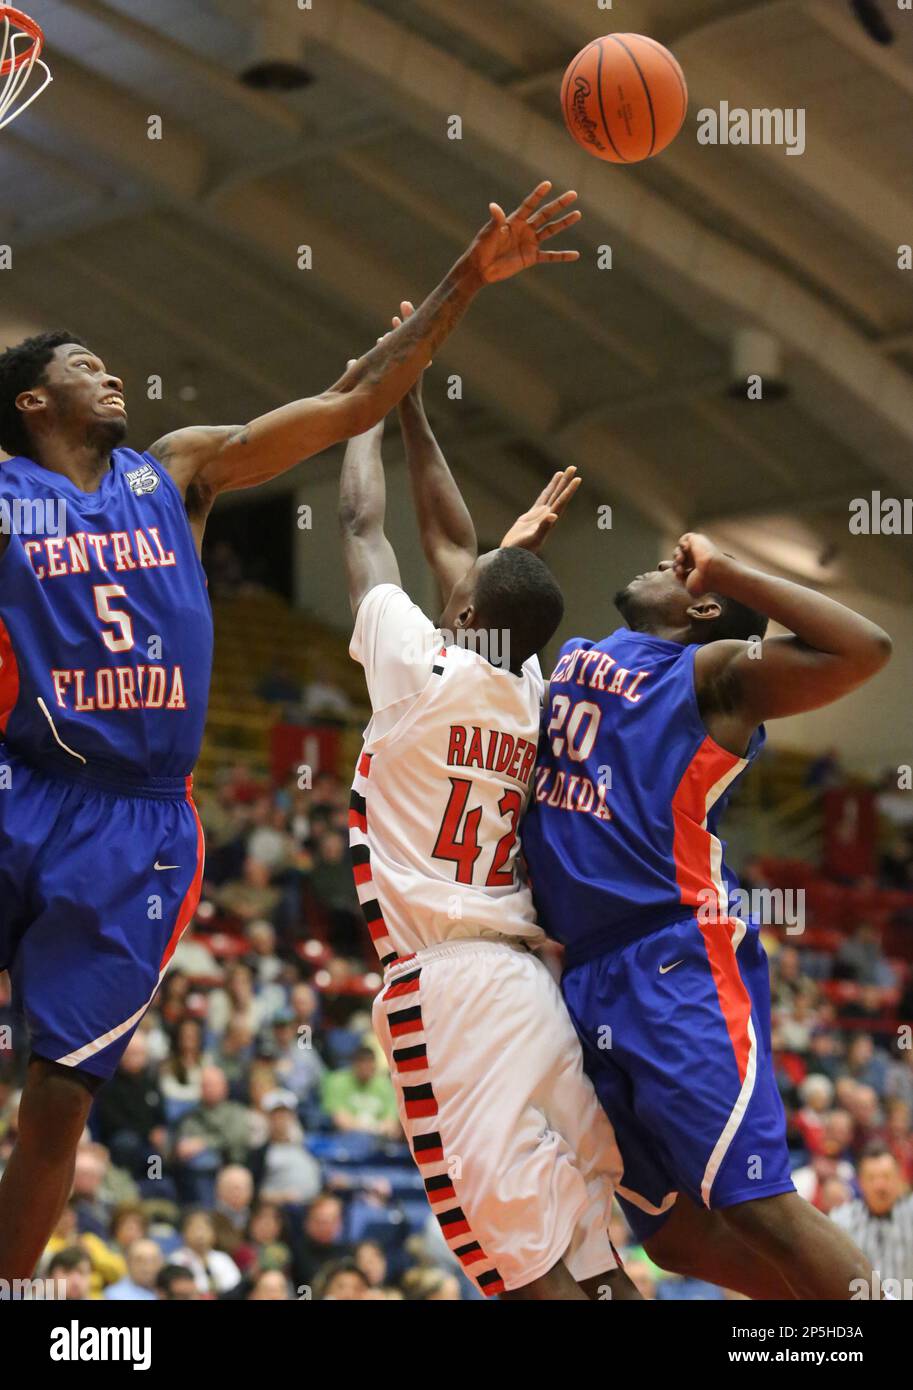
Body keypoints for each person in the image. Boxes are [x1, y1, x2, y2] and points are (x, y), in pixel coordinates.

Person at [0, 177, 580, 1280]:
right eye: (81, 364)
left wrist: (468, 274)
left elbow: (356, 395)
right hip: (21, 778)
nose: (109, 371)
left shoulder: (176, 470)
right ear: (31, 402)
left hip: (137, 830)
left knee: (58, 1100)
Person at [337, 347, 636, 1303]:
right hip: (530, 989)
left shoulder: (416, 671)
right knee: (592, 1256)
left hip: (448, 991)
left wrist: (365, 406)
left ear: (462, 609)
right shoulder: (532, 694)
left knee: (516, 1266)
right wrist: (416, 413)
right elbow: (457, 555)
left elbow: (363, 523)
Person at [521, 531, 892, 1299]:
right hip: (583, 971)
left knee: (755, 1204)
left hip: (670, 953)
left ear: (706, 604)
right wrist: (514, 555)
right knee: (679, 1240)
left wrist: (730, 567)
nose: (661, 562)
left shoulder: (710, 675)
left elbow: (866, 649)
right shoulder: (581, 654)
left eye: (678, 570)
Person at [831, 1145, 913, 1293]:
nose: (879, 1185)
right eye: (871, 1178)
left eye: (886, 1176)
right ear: (860, 1182)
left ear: (898, 1178)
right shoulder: (840, 1221)